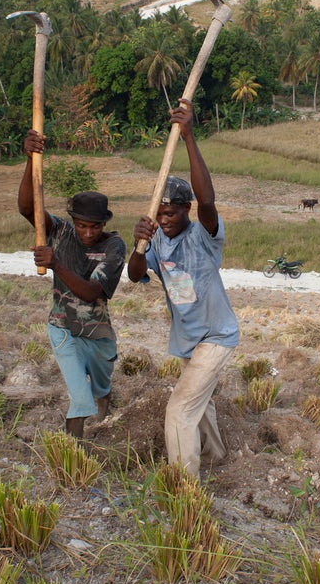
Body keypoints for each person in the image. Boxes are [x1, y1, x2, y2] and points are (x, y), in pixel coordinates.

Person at [128, 98, 240, 479]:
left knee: (179, 409)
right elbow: (134, 274)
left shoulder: (203, 236)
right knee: (200, 404)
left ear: (186, 210)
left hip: (216, 336)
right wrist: (139, 243)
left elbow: (207, 198)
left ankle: (184, 487)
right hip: (187, 339)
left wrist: (190, 136)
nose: (165, 220)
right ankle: (216, 455)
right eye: (159, 214)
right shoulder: (157, 240)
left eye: (171, 213)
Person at [18, 129, 126, 438]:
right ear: (73, 222)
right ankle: (72, 457)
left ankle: (105, 402)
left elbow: (92, 293)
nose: (87, 233)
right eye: (81, 226)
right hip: (62, 326)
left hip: (98, 333)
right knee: (80, 398)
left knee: (102, 387)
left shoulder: (114, 247)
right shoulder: (62, 232)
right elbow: (28, 209)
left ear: (103, 225)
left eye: (94, 227)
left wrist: (55, 263)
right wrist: (29, 160)